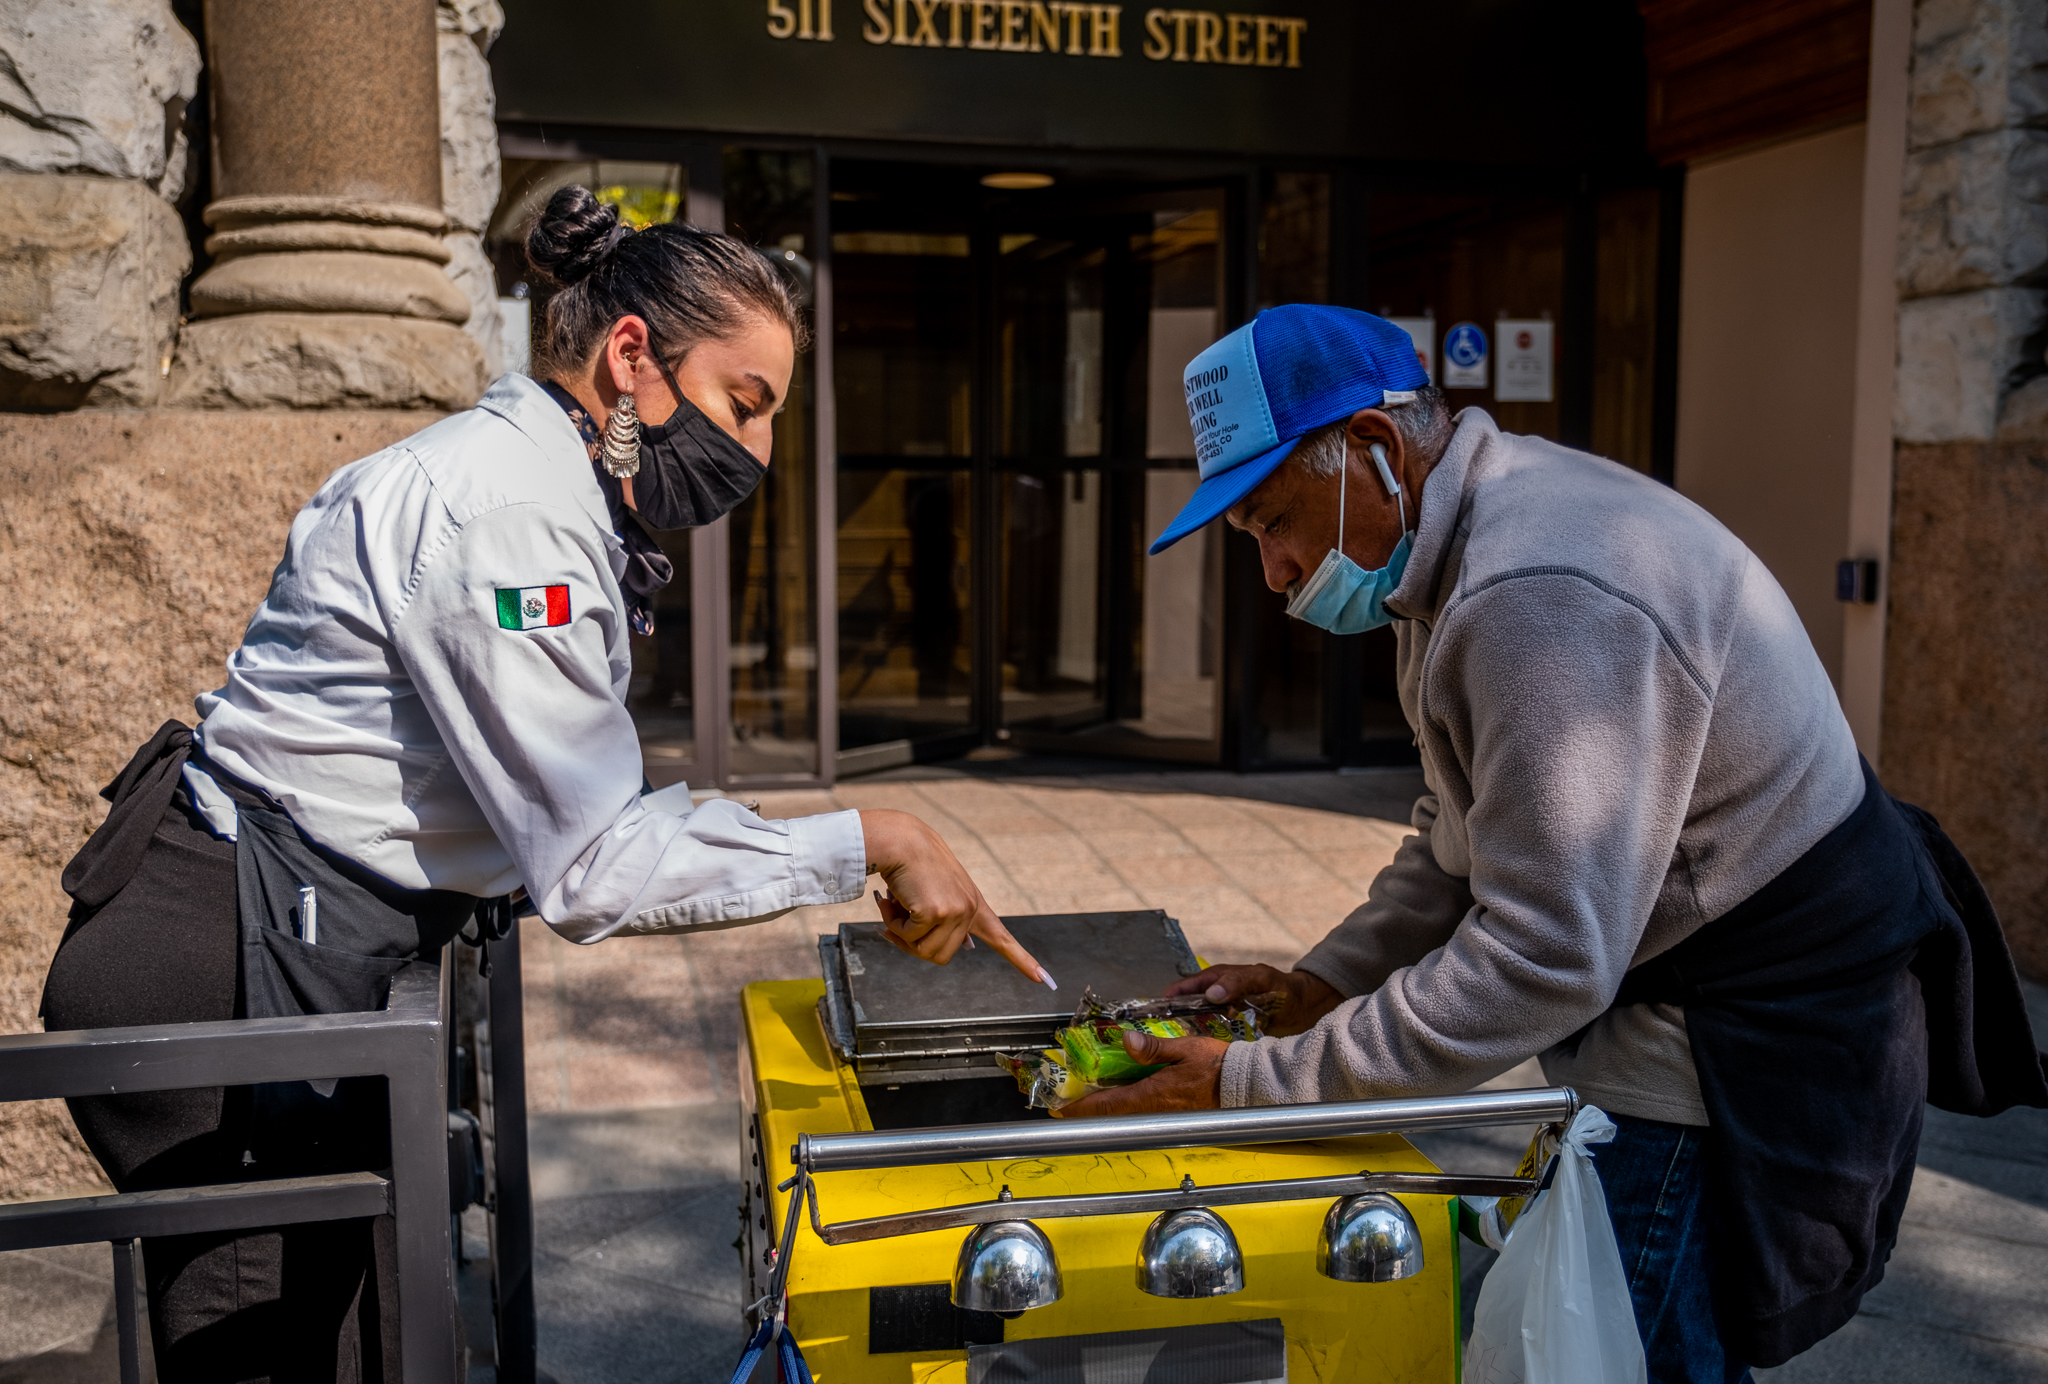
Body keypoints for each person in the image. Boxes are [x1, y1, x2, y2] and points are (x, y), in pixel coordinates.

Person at [39, 185, 1046, 1383]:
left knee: (372, 1323)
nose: (760, 452)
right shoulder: (510, 513)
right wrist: (871, 833)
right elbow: (593, 863)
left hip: (299, 948)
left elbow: (583, 809)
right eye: (747, 402)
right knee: (278, 1348)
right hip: (232, 971)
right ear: (633, 357)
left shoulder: (542, 489)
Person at [1059, 305, 2046, 1381]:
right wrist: (1319, 984)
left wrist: (1250, 1084)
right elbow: (1456, 834)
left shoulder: (1532, 591)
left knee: (1629, 1341)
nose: (1274, 570)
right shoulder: (1444, 553)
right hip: (1675, 968)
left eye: (1267, 521)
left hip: (1744, 1015)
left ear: (1377, 455)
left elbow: (1545, 953)